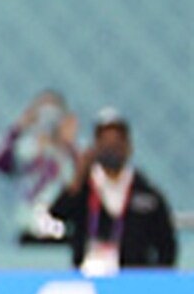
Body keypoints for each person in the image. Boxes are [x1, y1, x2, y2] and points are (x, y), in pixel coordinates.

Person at [47, 109, 176, 275]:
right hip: (89, 280)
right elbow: (57, 214)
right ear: (96, 146)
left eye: (117, 142)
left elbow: (166, 245)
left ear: (128, 146)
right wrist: (80, 174)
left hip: (132, 282)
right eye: (105, 142)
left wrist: (154, 282)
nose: (111, 148)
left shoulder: (146, 195)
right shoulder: (84, 190)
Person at [0, 89, 76, 243]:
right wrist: (18, 128)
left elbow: (83, 181)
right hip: (30, 228)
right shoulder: (25, 147)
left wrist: (67, 143)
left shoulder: (72, 151)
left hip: (63, 229)